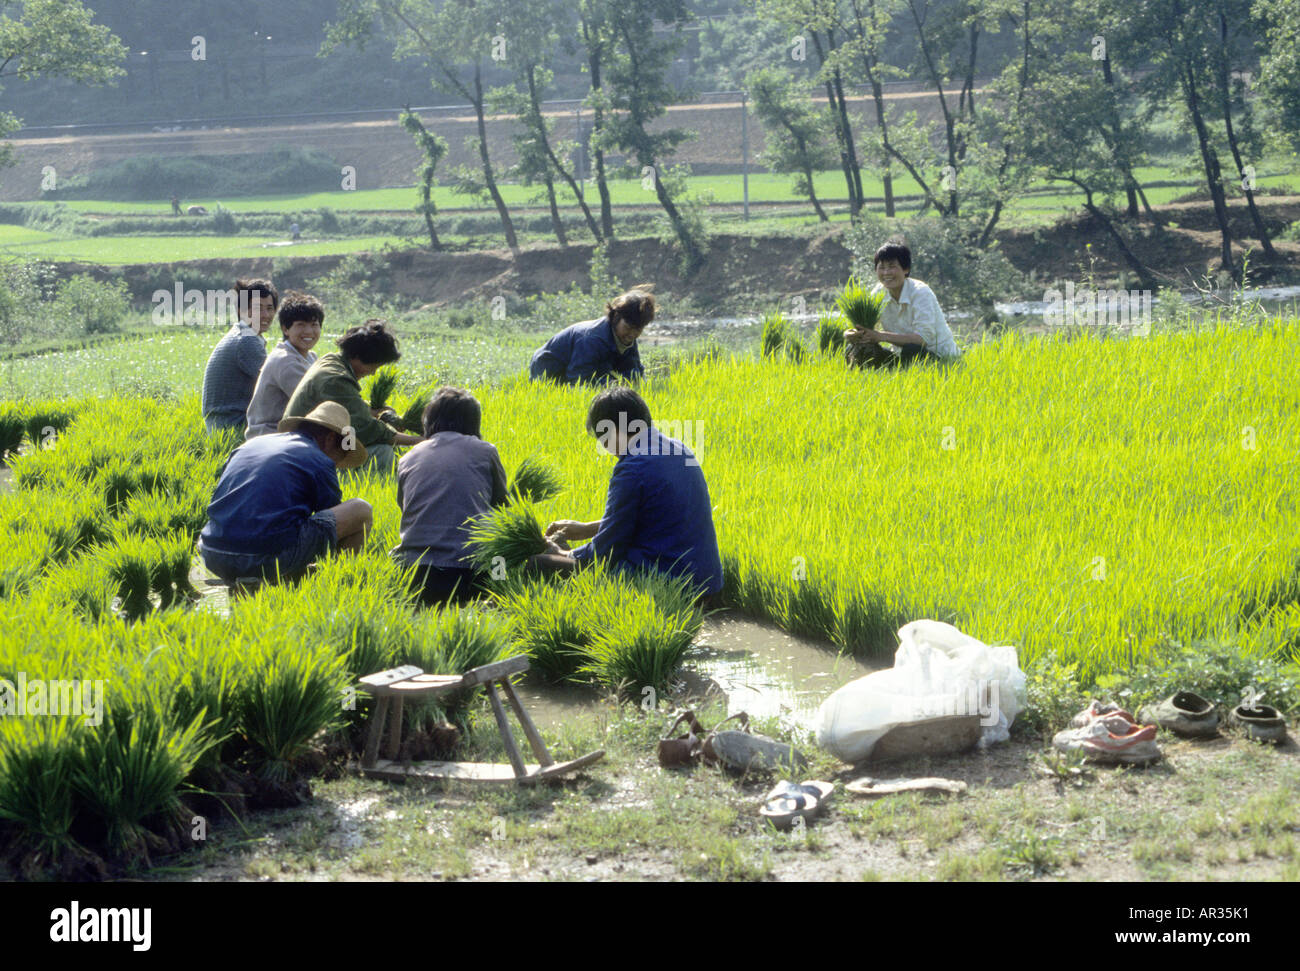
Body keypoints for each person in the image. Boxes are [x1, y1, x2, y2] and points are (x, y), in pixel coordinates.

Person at [542, 386, 723, 600]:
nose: (607, 450)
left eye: (603, 440)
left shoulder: (632, 466)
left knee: (541, 563)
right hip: (708, 583)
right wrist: (586, 529)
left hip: (671, 585)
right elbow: (653, 518)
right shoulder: (680, 449)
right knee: (566, 553)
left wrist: (561, 553)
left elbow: (604, 554)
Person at [197, 401, 373, 583]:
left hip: (212, 553)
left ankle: (282, 576)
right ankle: (335, 580)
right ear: (329, 439)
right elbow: (333, 524)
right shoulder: (319, 459)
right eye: (340, 457)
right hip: (265, 558)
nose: (336, 466)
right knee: (361, 510)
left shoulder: (249, 446)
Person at [390, 387, 509, 606]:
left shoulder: (407, 458)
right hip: (470, 574)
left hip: (415, 572)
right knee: (505, 554)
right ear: (474, 422)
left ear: (430, 421)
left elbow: (405, 509)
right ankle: (498, 598)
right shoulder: (486, 451)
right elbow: (504, 512)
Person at [282, 318, 422, 471]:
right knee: (382, 453)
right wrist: (420, 441)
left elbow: (350, 406)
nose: (373, 372)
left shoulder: (331, 360)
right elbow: (368, 430)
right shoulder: (337, 380)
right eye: (373, 366)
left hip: (305, 446)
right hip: (305, 457)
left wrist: (373, 412)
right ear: (358, 357)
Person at [844, 242, 960, 368]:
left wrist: (880, 336)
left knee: (912, 350)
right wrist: (851, 334)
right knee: (854, 348)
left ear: (906, 269)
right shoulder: (879, 292)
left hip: (939, 357)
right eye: (881, 267)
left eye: (892, 266)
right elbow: (865, 327)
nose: (886, 272)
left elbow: (922, 340)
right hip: (902, 356)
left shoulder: (920, 292)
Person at [529, 286, 655, 384]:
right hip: (549, 368)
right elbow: (579, 379)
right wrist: (612, 385)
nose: (632, 334)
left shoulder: (627, 340)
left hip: (579, 368)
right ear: (616, 317)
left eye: (638, 329)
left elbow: (633, 373)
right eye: (628, 327)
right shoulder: (592, 339)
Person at [201, 278, 279, 433]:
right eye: (257, 308)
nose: (265, 315)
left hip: (224, 424)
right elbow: (277, 384)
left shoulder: (244, 334)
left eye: (269, 308)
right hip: (231, 426)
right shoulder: (246, 340)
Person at [245, 291, 323, 438]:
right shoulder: (286, 361)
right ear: (285, 329)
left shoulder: (310, 357)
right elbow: (316, 404)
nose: (309, 331)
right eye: (300, 325)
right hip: (270, 435)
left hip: (291, 431)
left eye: (314, 324)